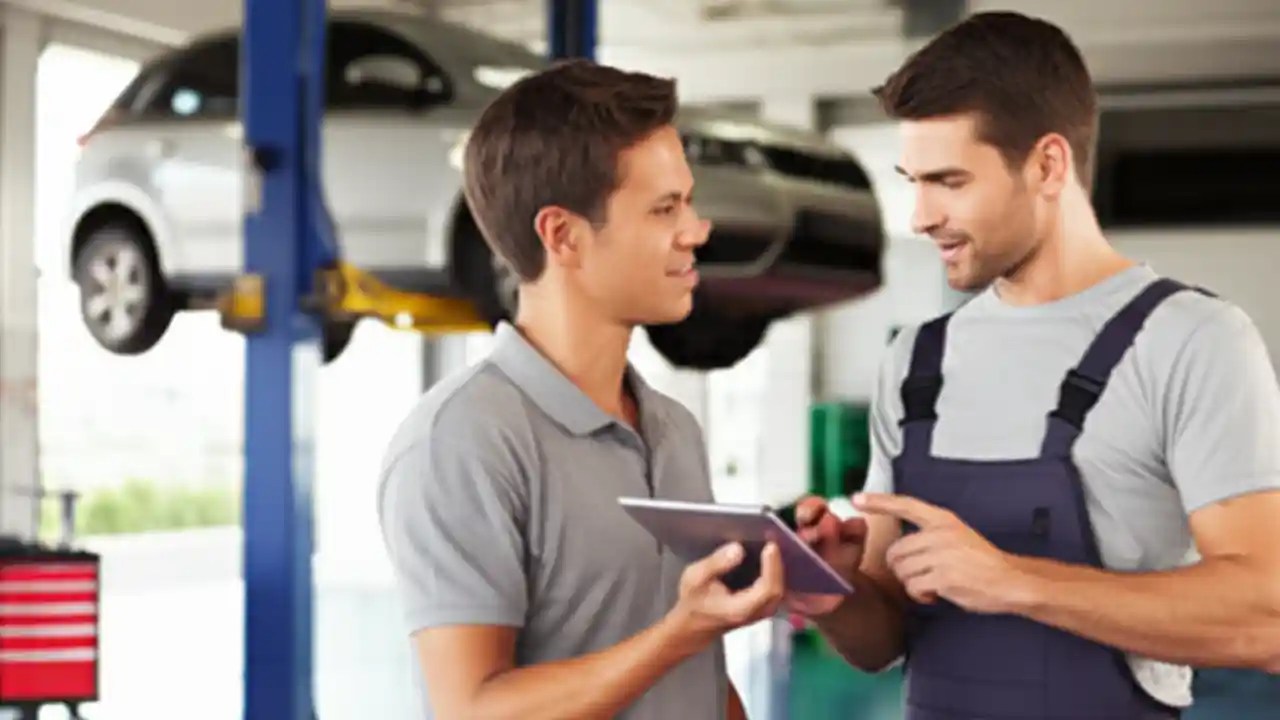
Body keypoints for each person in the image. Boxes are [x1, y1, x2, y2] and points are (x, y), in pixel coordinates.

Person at [789, 11, 1280, 720]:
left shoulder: (1192, 341)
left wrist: (1013, 581)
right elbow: (883, 640)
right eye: (912, 181)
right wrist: (836, 592)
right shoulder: (916, 361)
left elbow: (1266, 619)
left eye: (949, 181)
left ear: (1048, 165)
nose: (920, 217)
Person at [376, 58, 784, 720]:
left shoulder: (674, 428)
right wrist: (679, 632)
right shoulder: (461, 441)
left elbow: (696, 679)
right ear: (563, 235)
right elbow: (473, 709)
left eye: (688, 201)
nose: (695, 230)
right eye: (664, 208)